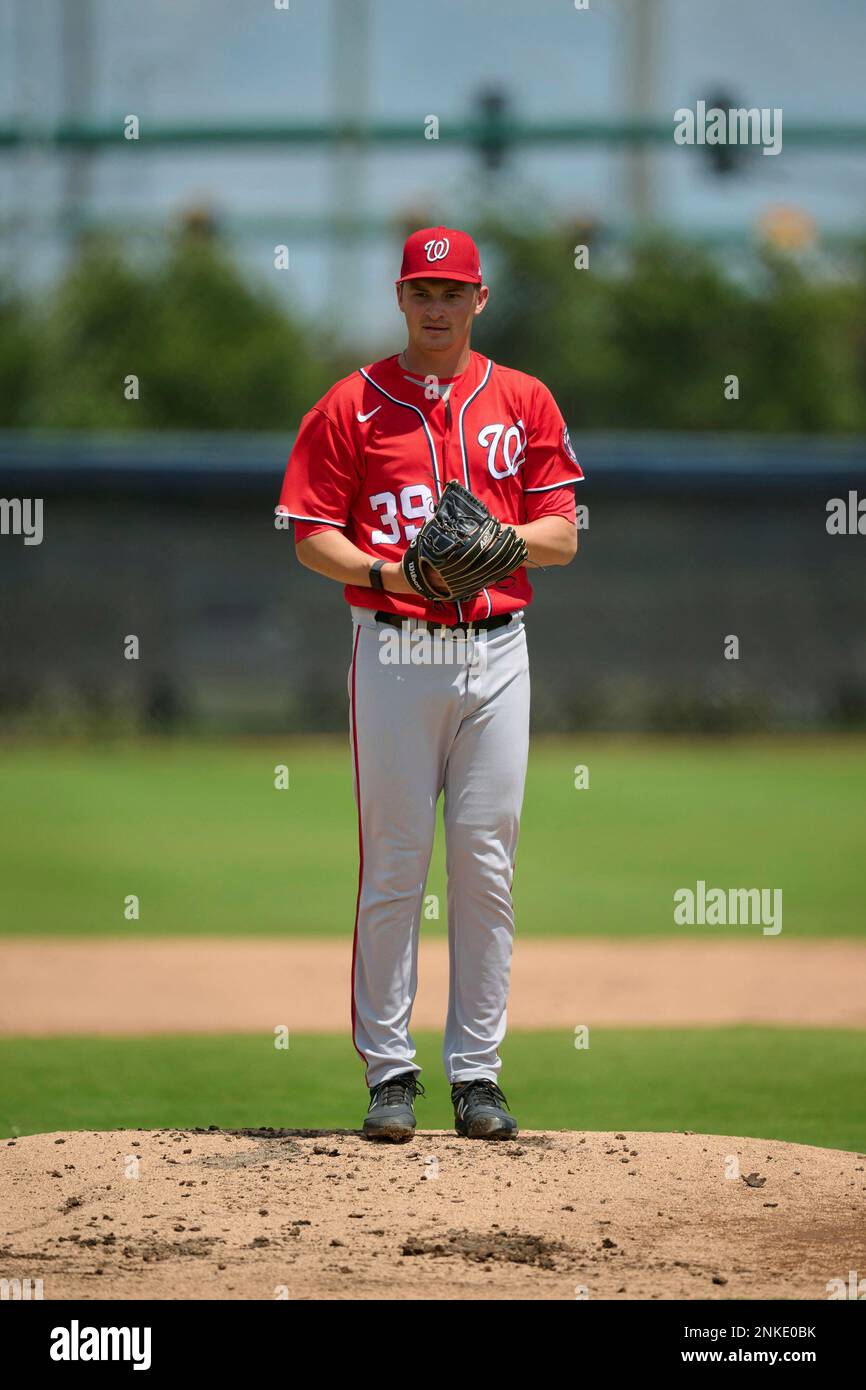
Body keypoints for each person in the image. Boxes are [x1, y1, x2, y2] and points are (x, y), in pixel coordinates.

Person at [277, 226, 583, 1142]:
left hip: (498, 650)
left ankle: (478, 1077)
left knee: (486, 868)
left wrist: (498, 544)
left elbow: (562, 534)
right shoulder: (351, 404)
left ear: (479, 299)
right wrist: (388, 575)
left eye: (454, 291)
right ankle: (390, 1075)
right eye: (423, 290)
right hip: (398, 647)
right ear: (400, 297)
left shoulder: (523, 399)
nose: (438, 306)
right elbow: (309, 533)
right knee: (397, 865)